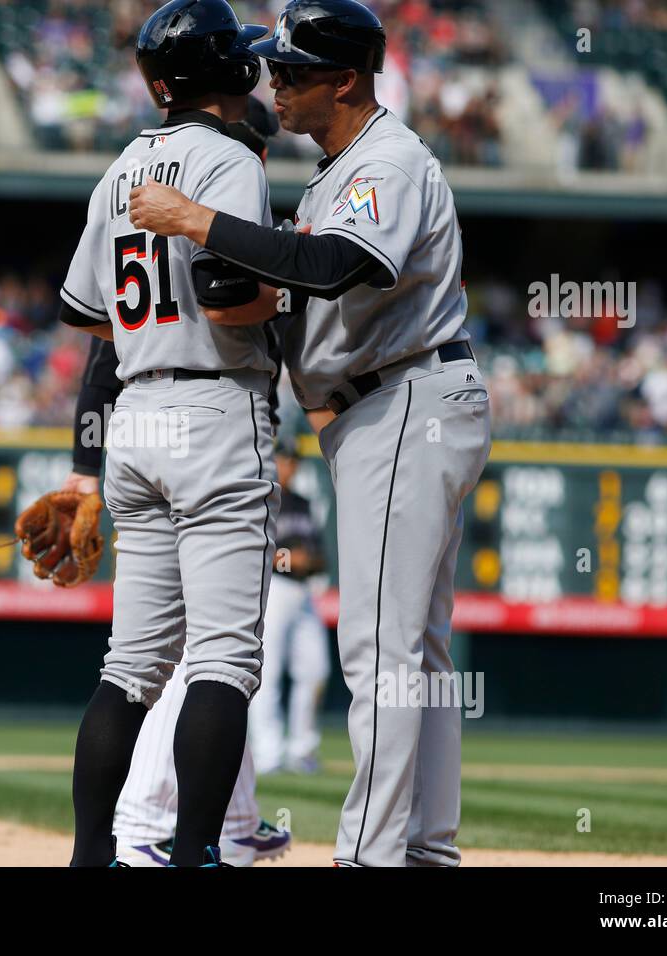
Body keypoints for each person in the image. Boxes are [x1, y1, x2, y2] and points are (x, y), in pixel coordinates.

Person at [128, 0, 492, 866]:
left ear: (346, 79)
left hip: (407, 400)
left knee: (379, 648)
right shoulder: (337, 171)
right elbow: (306, 291)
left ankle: (369, 855)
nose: (272, 83)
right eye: (273, 68)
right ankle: (427, 850)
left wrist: (198, 221)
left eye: (291, 71)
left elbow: (334, 267)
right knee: (416, 651)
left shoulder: (386, 161)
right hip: (391, 402)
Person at [57, 0, 282, 867]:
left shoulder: (118, 169)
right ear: (231, 71)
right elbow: (231, 293)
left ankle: (89, 859)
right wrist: (288, 292)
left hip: (135, 420)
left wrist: (85, 461)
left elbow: (89, 316)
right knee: (223, 663)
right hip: (215, 405)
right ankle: (194, 857)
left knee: (129, 669)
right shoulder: (230, 156)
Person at [249, 434, 330, 776]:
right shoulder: (260, 498)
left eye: (293, 460)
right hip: (273, 591)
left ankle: (302, 750)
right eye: (284, 459)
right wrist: (289, 559)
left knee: (316, 670)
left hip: (303, 594)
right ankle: (267, 753)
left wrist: (308, 561)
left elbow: (319, 557)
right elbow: (257, 551)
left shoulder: (302, 502)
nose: (289, 466)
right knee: (267, 674)